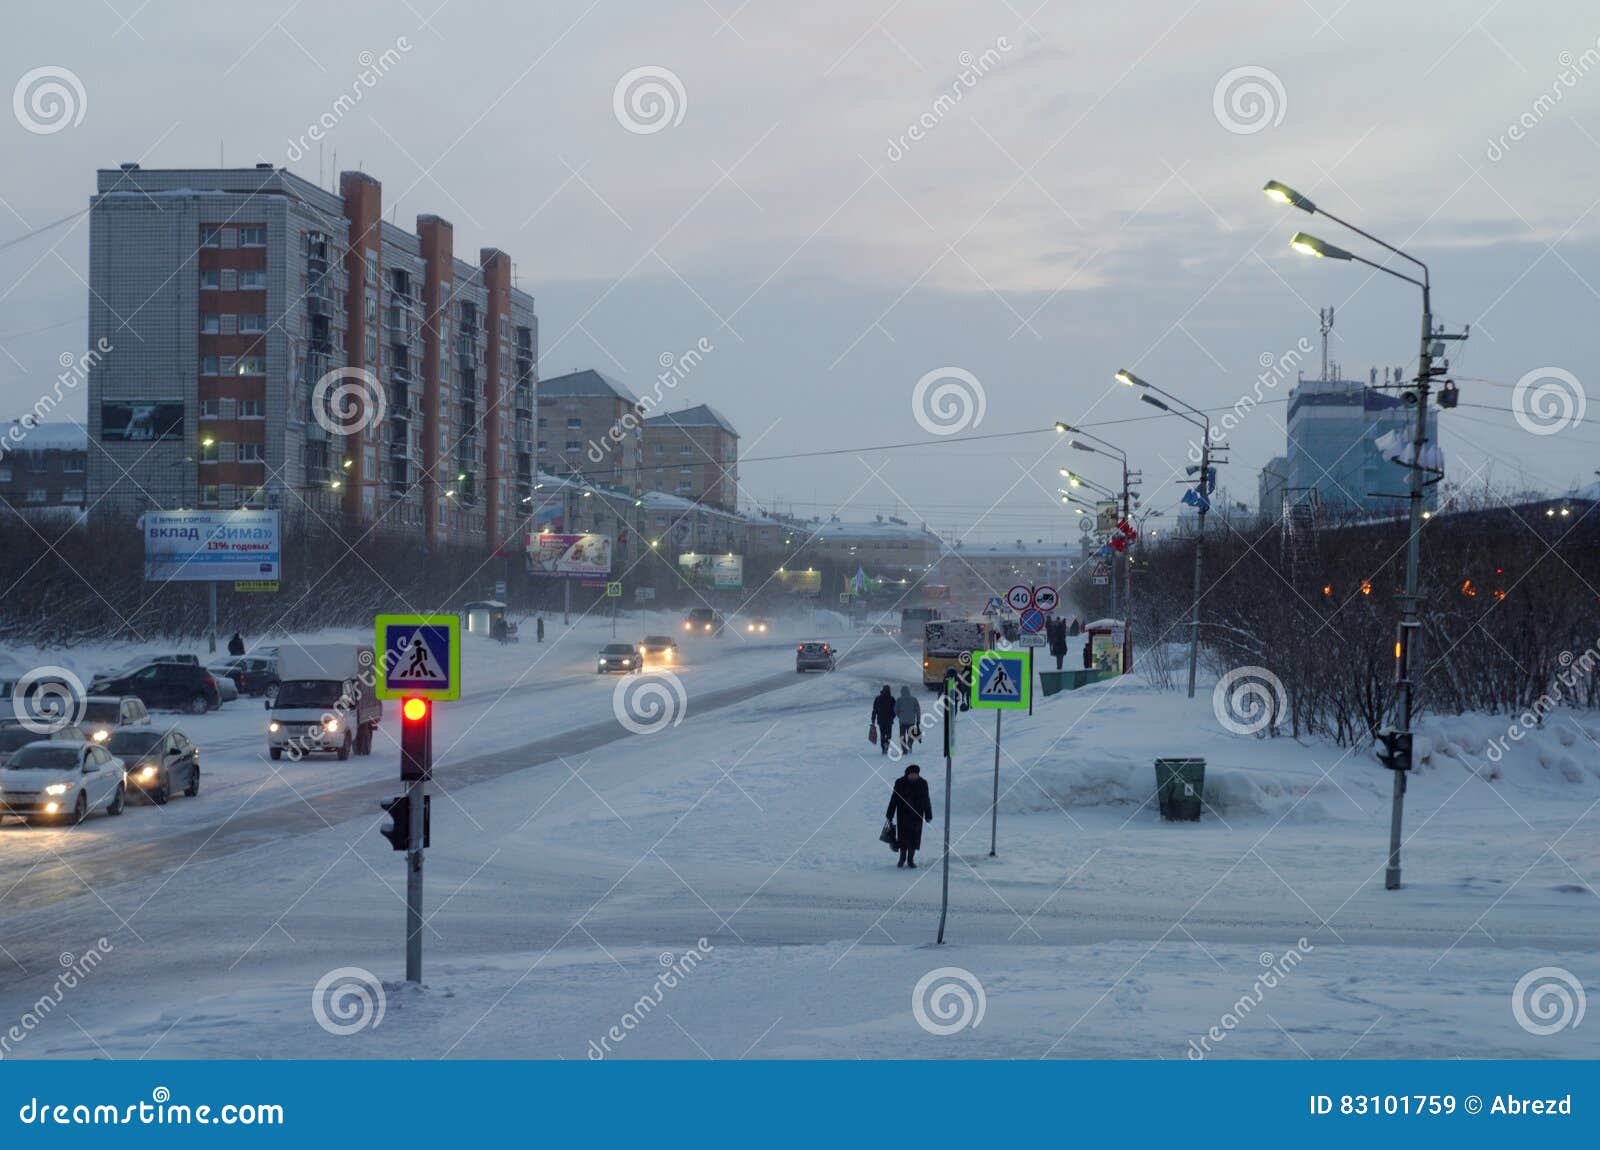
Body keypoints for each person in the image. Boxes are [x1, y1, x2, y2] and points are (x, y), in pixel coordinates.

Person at [885, 763, 934, 868]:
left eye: (915, 774)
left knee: (914, 839)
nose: (913, 776)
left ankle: (910, 860)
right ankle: (902, 859)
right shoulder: (900, 783)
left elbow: (926, 800)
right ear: (907, 774)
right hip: (903, 815)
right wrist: (890, 814)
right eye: (911, 774)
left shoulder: (923, 783)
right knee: (903, 838)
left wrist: (928, 814)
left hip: (917, 815)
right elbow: (893, 799)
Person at [871, 685, 896, 755]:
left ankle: (883, 748)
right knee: (888, 735)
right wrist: (893, 717)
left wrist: (873, 719)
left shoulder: (877, 699)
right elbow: (895, 710)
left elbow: (874, 710)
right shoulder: (891, 699)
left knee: (882, 734)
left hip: (880, 720)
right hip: (889, 720)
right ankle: (886, 745)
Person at [895, 686, 921, 752]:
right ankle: (910, 743)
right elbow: (918, 710)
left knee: (902, 735)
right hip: (911, 721)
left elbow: (896, 710)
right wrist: (918, 719)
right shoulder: (914, 699)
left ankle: (904, 749)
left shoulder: (899, 700)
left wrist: (900, 716)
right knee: (911, 734)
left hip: (902, 721)